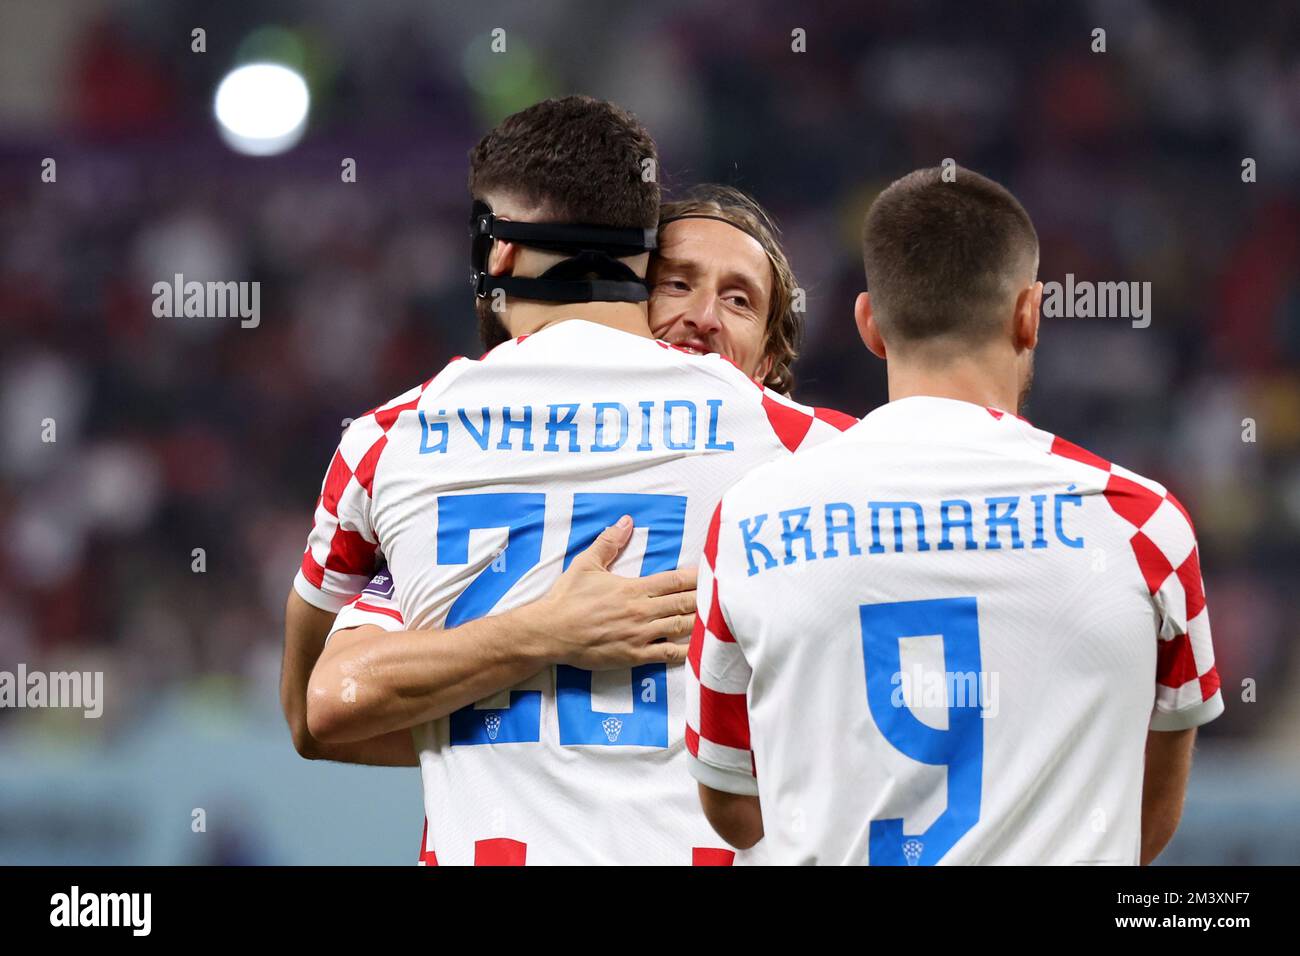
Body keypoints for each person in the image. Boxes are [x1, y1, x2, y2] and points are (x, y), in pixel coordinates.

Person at [287, 95, 852, 864]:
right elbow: (324, 707)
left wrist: (488, 690)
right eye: (678, 283)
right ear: (638, 275)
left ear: (501, 255)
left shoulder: (395, 439)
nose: (702, 319)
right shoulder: (811, 455)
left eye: (738, 298)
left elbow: (314, 713)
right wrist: (541, 636)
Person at [686, 166, 1222, 865]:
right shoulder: (1145, 526)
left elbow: (733, 808)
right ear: (1030, 313)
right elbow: (1146, 816)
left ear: (869, 324)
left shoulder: (749, 520)